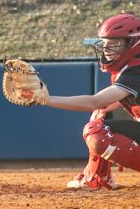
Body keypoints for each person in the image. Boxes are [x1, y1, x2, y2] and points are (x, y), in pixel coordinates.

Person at [21, 14, 140, 190]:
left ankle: (95, 179)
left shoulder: (135, 71)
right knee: (102, 113)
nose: (107, 49)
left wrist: (45, 99)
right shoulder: (128, 70)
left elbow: (95, 101)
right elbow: (105, 106)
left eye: (114, 43)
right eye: (105, 43)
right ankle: (98, 178)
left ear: (134, 44)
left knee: (97, 131)